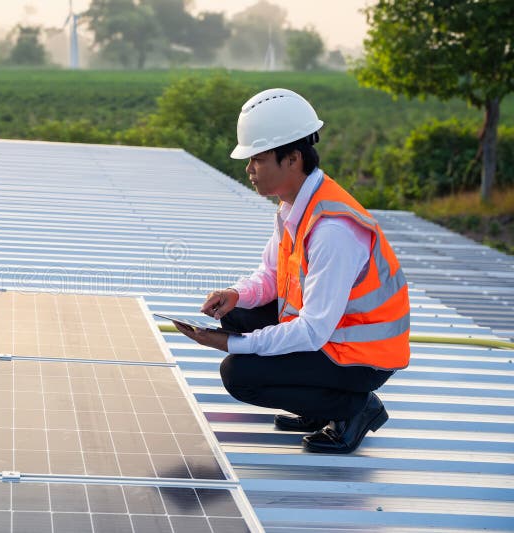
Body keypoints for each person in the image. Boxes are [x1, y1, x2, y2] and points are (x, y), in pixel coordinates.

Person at [173, 88, 410, 454]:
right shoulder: (294, 206)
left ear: (293, 159)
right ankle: (316, 407)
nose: (249, 169)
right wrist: (235, 295)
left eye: (258, 159)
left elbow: (313, 331)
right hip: (334, 333)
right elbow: (271, 276)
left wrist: (234, 344)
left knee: (238, 374)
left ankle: (355, 408)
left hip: (362, 355)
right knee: (235, 313)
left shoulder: (333, 229)